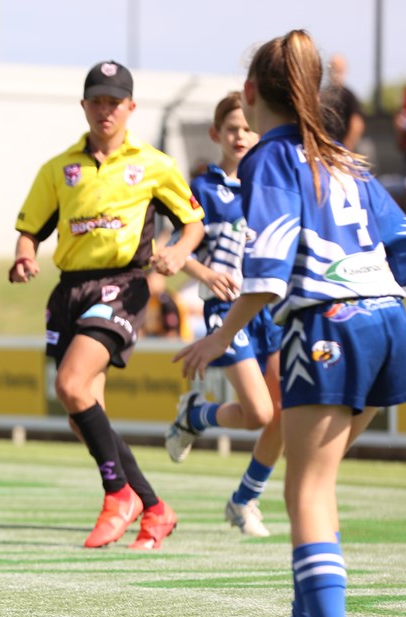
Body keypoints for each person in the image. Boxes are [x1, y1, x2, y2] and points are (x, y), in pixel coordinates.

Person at [174, 30, 406, 617]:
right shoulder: (345, 159)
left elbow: (264, 270)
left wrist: (215, 337)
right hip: (388, 322)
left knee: (306, 490)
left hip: (329, 325)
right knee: (316, 484)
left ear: (253, 94)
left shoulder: (271, 159)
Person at [9, 59, 204, 550]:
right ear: (84, 106)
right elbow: (30, 228)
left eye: (114, 102)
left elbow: (193, 221)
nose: (105, 110)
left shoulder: (155, 164)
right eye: (96, 100)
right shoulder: (58, 168)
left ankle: (118, 495)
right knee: (82, 411)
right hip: (70, 289)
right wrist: (23, 256)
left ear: (131, 107)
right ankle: (155, 508)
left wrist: (179, 252)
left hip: (123, 285)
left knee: (71, 385)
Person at [164, 91, 283, 538]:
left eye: (248, 127)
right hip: (224, 312)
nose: (241, 136)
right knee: (258, 413)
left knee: (282, 413)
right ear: (216, 134)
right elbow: (173, 250)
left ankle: (245, 499)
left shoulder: (270, 185)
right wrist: (204, 272)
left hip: (271, 312)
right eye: (232, 128)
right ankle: (196, 415)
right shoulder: (204, 189)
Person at [326, 54, 365, 151]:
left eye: (337, 69)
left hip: (342, 150)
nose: (335, 73)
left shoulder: (348, 96)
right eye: (333, 69)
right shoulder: (323, 95)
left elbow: (357, 123)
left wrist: (346, 147)